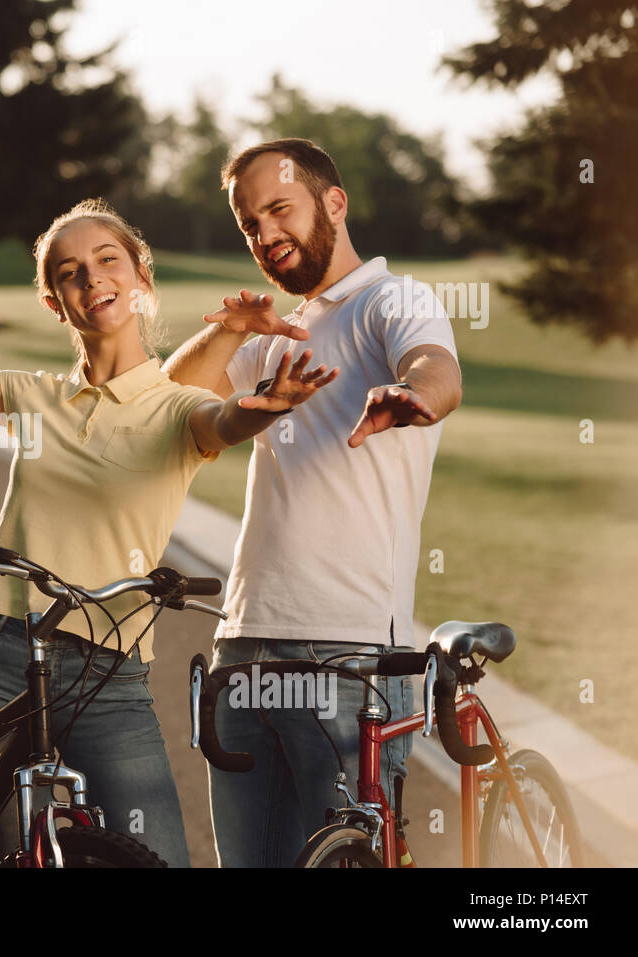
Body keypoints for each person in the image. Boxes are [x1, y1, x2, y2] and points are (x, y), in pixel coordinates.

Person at [0, 139, 337, 867]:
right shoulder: (33, 398)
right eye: (70, 272)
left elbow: (223, 421)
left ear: (141, 276)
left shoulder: (178, 407)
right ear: (55, 303)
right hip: (0, 648)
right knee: (17, 856)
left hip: (110, 671)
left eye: (108, 261)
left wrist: (263, 408)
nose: (93, 279)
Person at [162, 137, 464, 867]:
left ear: (333, 202)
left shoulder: (393, 299)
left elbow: (436, 367)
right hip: (244, 645)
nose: (264, 234)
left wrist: (412, 396)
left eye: (277, 209)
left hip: (349, 651)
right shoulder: (276, 337)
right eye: (248, 225)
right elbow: (166, 405)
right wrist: (230, 327)